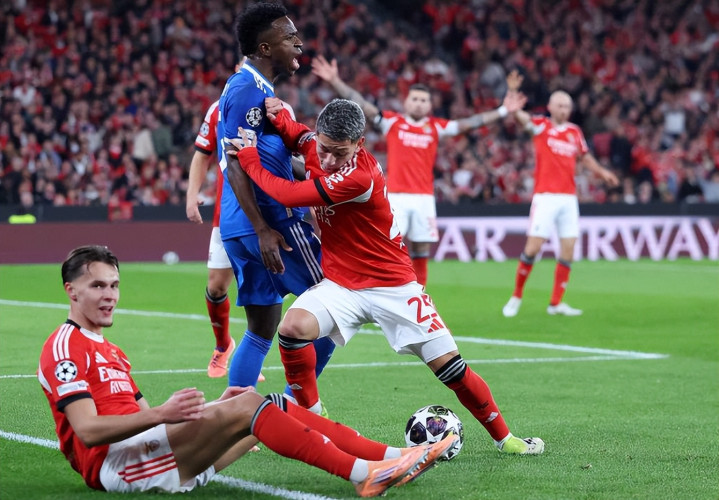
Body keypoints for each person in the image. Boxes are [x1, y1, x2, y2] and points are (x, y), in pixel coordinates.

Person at [225, 97, 544, 455]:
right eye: (325, 149)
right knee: (292, 328)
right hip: (342, 286)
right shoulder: (318, 146)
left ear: (359, 144)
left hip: (394, 286)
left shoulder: (359, 176)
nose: (328, 160)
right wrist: (281, 118)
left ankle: (506, 439)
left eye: (339, 153)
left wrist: (249, 157)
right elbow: (301, 137)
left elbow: (289, 193)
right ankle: (313, 416)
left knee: (451, 369)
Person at [38, 245, 455, 497]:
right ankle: (363, 475)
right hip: (116, 467)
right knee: (251, 406)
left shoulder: (112, 351)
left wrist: (208, 411)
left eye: (113, 285)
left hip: (148, 453)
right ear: (71, 291)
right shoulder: (64, 347)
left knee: (267, 403)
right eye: (97, 286)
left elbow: (145, 419)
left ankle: (392, 457)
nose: (109, 295)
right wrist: (166, 413)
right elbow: (87, 431)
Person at [311, 55, 526, 286]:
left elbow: (470, 123)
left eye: (424, 100)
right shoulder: (392, 122)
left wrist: (503, 111)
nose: (419, 103)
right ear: (406, 102)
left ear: (430, 105)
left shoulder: (435, 127)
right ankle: (378, 292)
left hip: (424, 199)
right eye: (415, 99)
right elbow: (362, 104)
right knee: (386, 247)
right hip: (396, 197)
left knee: (421, 251)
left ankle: (419, 297)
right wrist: (335, 81)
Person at [217, 2, 335, 398]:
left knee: (260, 329)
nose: (299, 43)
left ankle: (237, 417)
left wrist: (320, 178)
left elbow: (266, 158)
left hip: (240, 226)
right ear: (265, 48)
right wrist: (263, 229)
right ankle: (292, 404)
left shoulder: (252, 89)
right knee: (337, 307)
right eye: (290, 37)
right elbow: (237, 162)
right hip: (272, 225)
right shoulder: (247, 90)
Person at [501, 73, 619, 318]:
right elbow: (522, 118)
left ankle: (555, 303)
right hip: (545, 197)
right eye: (560, 105)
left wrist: (602, 172)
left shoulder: (574, 131)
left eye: (567, 106)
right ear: (550, 107)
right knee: (533, 248)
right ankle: (517, 295)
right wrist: (512, 97)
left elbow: (585, 157)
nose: (564, 110)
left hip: (568, 199)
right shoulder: (542, 126)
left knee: (568, 251)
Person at [186, 97, 262, 381]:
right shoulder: (219, 107)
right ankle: (223, 346)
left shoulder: (275, 107)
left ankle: (252, 356)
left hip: (265, 214)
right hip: (227, 213)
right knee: (216, 287)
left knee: (260, 290)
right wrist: (191, 195)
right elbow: (201, 153)